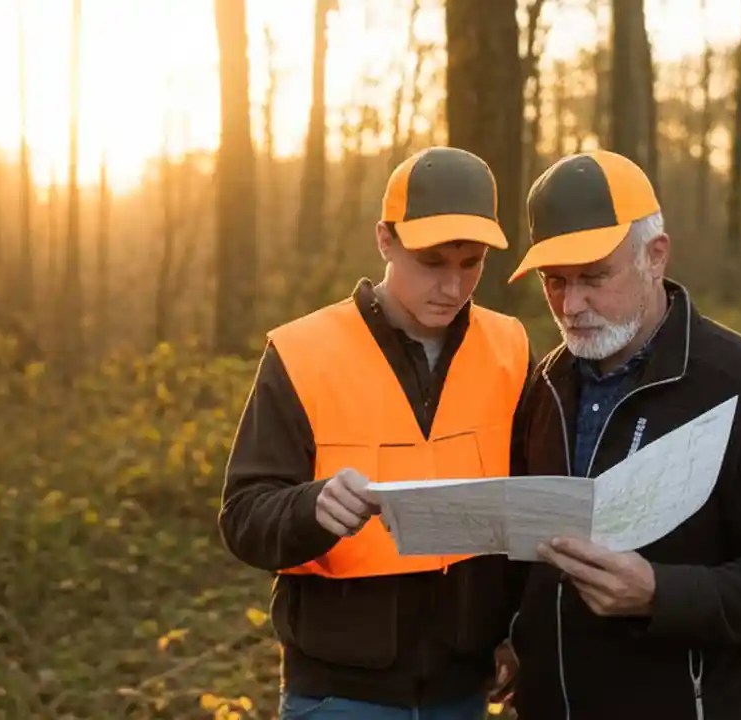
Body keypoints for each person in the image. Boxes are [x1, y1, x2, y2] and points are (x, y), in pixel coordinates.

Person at [500, 150, 741, 719]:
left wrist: (661, 593)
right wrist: (508, 635)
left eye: (594, 277)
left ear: (655, 256)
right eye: (554, 282)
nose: (571, 304)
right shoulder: (542, 387)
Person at [218, 146, 532, 720]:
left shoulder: (511, 348)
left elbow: (525, 513)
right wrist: (312, 508)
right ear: (385, 240)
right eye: (433, 261)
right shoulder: (302, 352)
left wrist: (517, 630)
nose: (453, 285)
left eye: (472, 263)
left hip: (464, 692)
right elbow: (243, 517)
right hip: (339, 695)